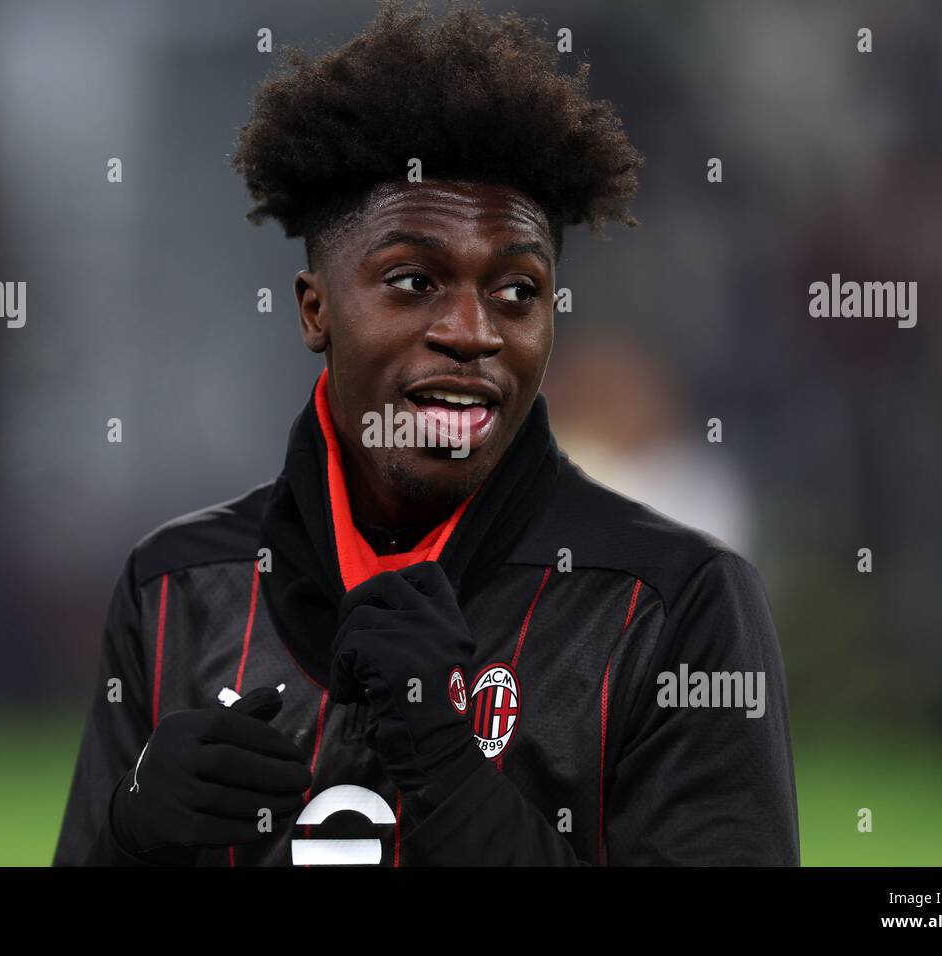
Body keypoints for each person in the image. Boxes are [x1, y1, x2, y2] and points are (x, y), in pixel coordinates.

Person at [53, 0, 799, 866]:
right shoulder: (175, 591)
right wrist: (125, 840)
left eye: (517, 290)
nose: (473, 331)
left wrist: (446, 768)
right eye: (413, 280)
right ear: (315, 309)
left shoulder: (673, 604)